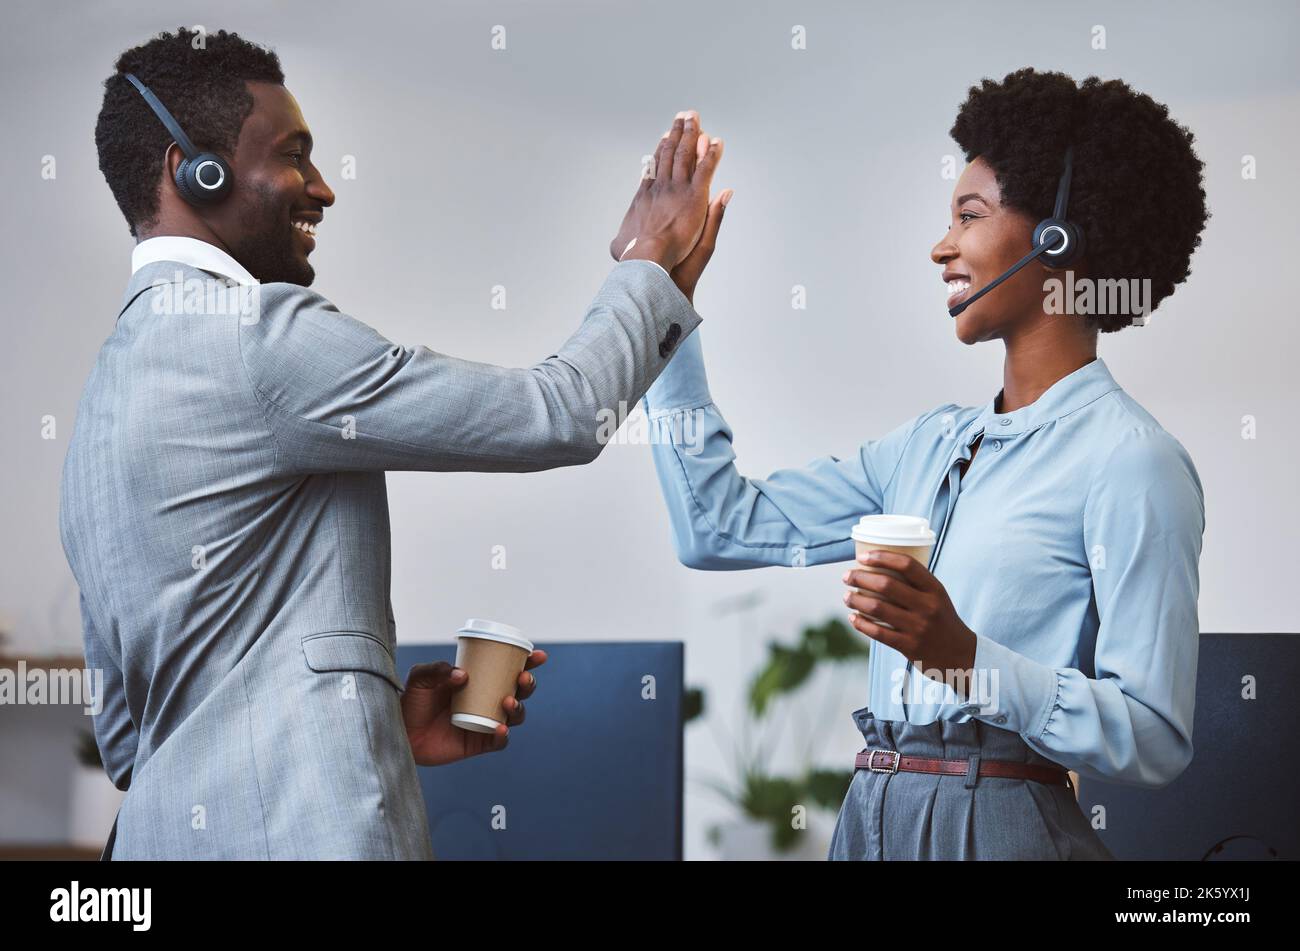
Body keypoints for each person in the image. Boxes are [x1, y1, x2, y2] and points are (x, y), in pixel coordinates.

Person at [60, 27, 728, 859]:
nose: (323, 188)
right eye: (293, 156)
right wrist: (649, 267)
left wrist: (361, 721)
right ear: (194, 171)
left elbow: (133, 746)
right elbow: (558, 411)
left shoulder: (94, 422)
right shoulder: (256, 338)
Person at [643, 67, 1209, 860]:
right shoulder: (926, 447)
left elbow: (1154, 736)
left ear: (1058, 237)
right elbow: (715, 526)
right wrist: (661, 304)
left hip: (1005, 821)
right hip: (871, 811)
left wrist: (968, 661)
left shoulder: (1133, 462)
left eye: (969, 216)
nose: (942, 247)